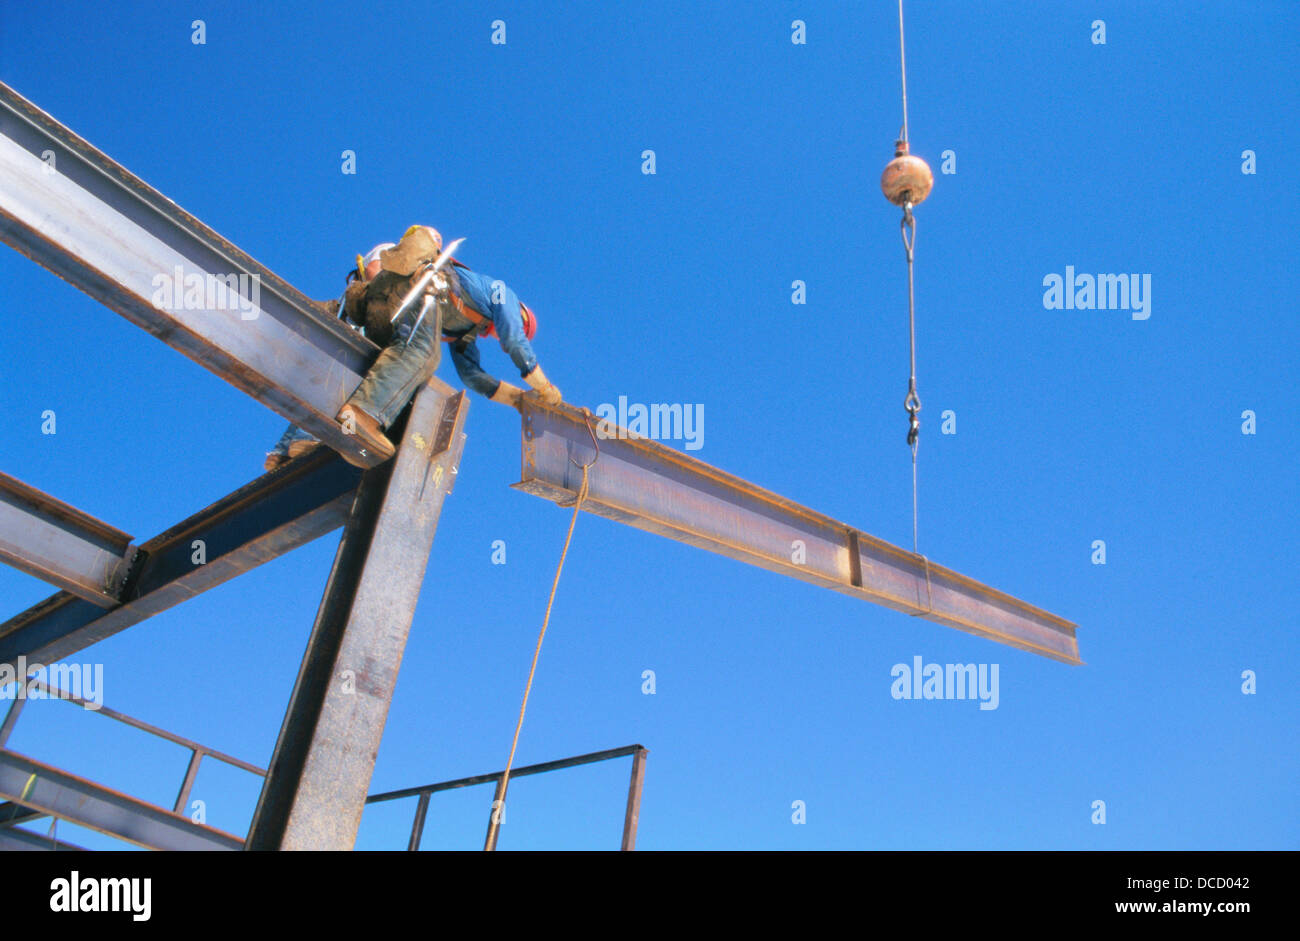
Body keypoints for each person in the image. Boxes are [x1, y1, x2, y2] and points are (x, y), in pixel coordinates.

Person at [264, 226, 562, 470]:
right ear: (522, 314)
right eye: (522, 325)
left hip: (386, 300)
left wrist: (519, 401)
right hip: (412, 286)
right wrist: (541, 384)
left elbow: (471, 376)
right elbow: (514, 339)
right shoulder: (502, 295)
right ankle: (363, 416)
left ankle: (290, 446)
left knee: (363, 367)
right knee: (422, 354)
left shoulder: (468, 331)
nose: (502, 334)